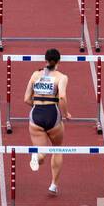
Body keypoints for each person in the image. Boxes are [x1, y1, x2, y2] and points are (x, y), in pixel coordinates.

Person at [23, 48, 70, 193]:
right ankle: (53, 185)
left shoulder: (35, 75)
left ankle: (37, 156)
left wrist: (37, 106)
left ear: (45, 60)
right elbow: (61, 97)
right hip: (52, 115)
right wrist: (66, 113)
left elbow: (26, 99)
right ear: (58, 61)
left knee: (41, 152)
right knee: (57, 149)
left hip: (36, 114)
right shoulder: (61, 77)